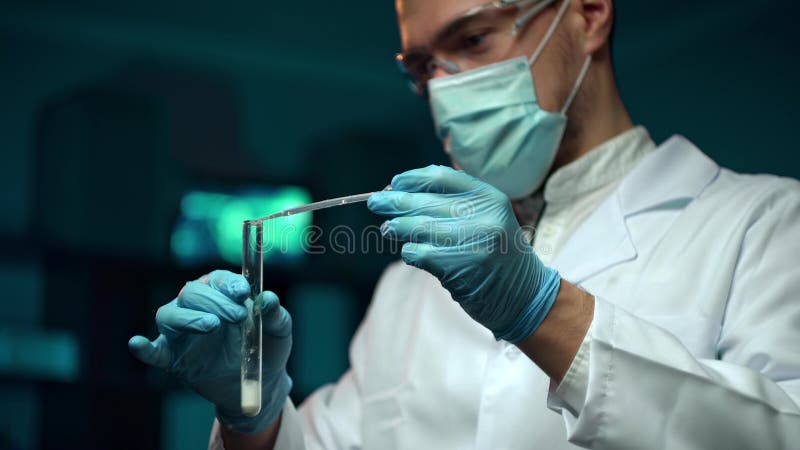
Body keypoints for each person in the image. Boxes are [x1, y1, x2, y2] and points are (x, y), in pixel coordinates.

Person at [129, 0, 800, 448]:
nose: (445, 91)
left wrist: (541, 311)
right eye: (422, 68)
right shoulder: (408, 285)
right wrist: (254, 415)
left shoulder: (764, 226)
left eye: (474, 39)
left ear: (589, 14)